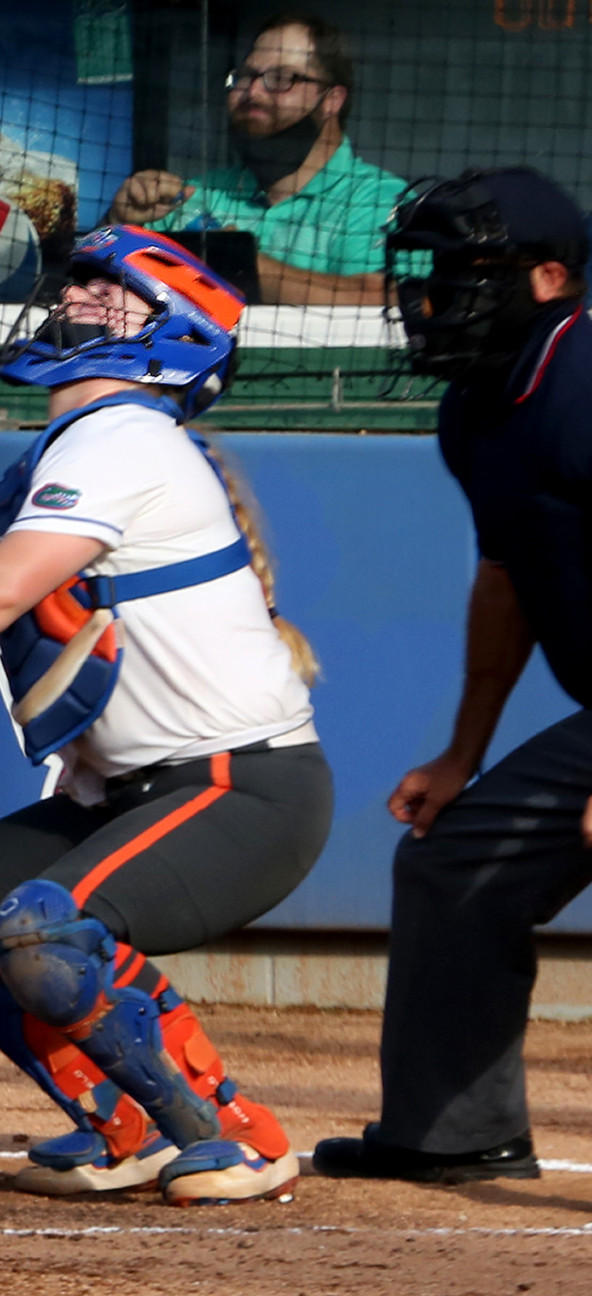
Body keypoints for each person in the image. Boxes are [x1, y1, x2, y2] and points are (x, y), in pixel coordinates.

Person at [0, 226, 331, 1204]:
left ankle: (232, 1132)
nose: (76, 296)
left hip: (239, 788)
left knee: (45, 928)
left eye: (106, 288)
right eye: (77, 281)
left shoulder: (127, 435)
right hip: (122, 795)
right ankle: (123, 1123)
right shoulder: (60, 451)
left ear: (170, 333)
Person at [313, 169, 592, 1187]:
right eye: (425, 274)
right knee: (453, 865)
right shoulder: (475, 410)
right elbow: (505, 575)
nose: (430, 299)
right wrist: (461, 752)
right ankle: (454, 1132)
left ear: (550, 278)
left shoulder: (581, 383)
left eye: (468, 272)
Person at [107, 13, 405, 306]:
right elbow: (101, 287)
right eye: (243, 77)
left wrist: (238, 263)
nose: (251, 92)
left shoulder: (381, 200)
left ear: (331, 100)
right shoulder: (193, 196)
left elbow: (389, 297)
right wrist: (116, 224)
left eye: (280, 78)